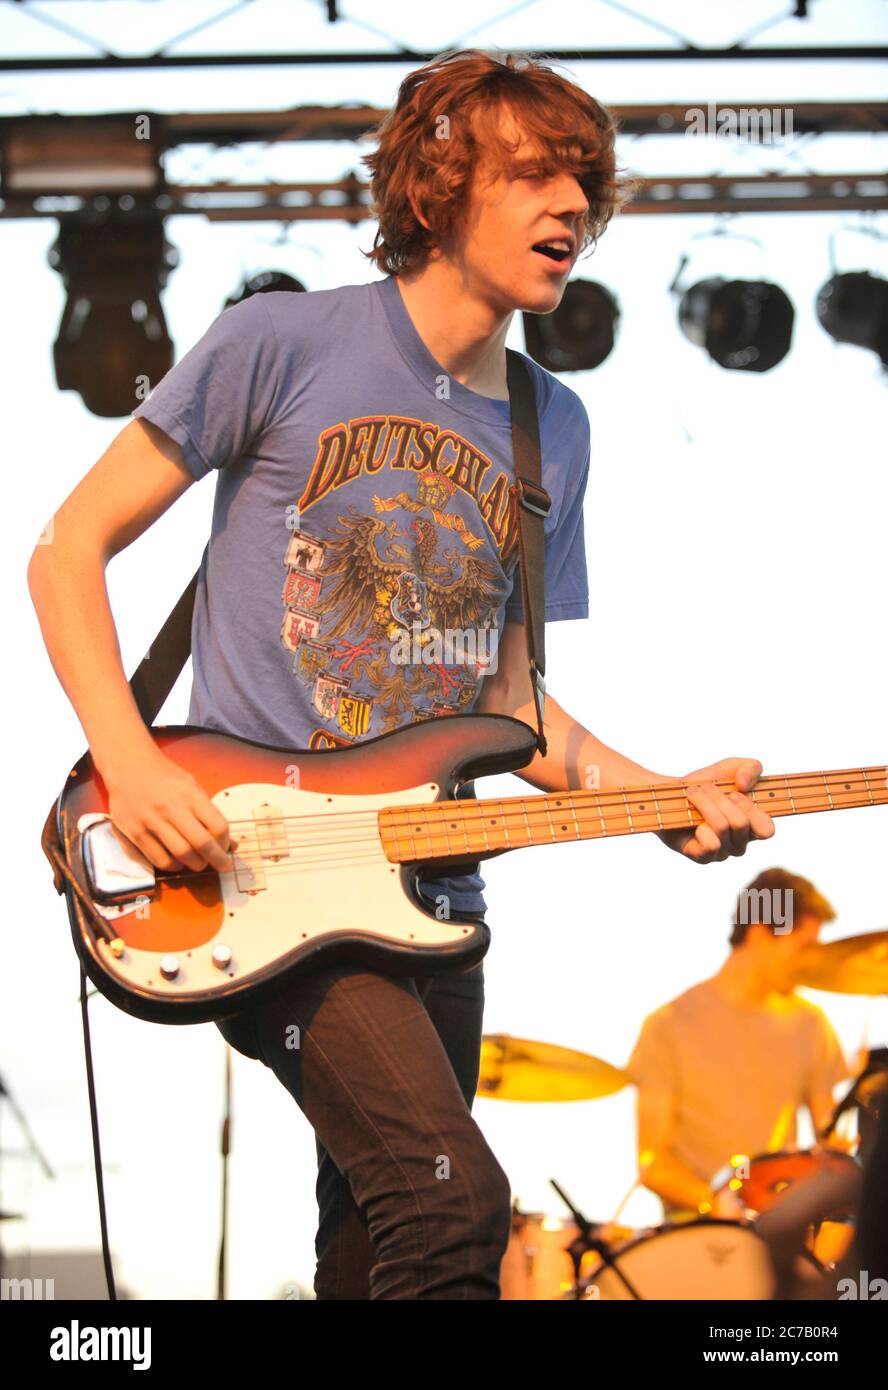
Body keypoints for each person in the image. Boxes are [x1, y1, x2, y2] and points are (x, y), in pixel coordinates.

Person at [28, 49, 776, 1300]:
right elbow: (66, 552)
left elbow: (515, 711)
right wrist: (131, 756)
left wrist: (664, 795)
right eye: (536, 174)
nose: (572, 208)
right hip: (261, 875)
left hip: (436, 899)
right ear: (437, 184)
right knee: (457, 1208)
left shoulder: (553, 427)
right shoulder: (279, 341)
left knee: (375, 1244)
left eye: (586, 183)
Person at [628, 868, 849, 1222]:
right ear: (761, 932)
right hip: (698, 1235)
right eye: (804, 947)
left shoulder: (811, 1024)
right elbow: (653, 1163)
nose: (813, 963)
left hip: (779, 1232)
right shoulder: (667, 1026)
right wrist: (722, 1205)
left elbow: (831, 1138)